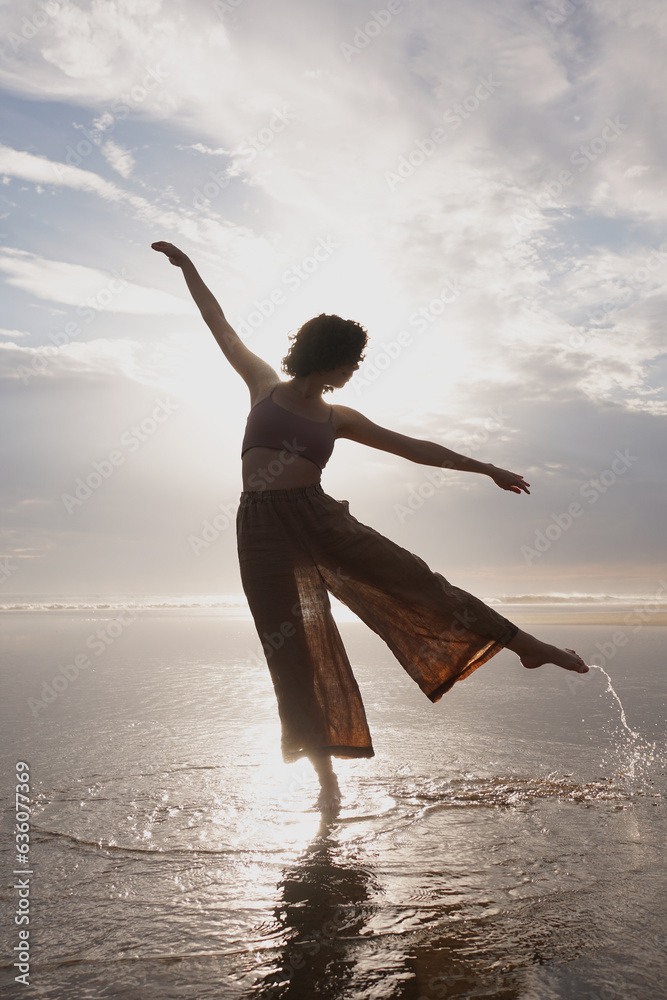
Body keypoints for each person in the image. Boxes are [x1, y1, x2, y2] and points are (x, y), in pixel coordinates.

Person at [151, 241, 589, 815]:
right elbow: (219, 324)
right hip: (259, 530)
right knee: (294, 654)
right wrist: (189, 269)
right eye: (351, 360)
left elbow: (414, 449)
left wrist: (485, 469)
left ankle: (528, 648)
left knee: (418, 582)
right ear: (328, 359)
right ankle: (325, 779)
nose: (356, 369)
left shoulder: (339, 418)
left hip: (318, 517)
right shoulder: (263, 385)